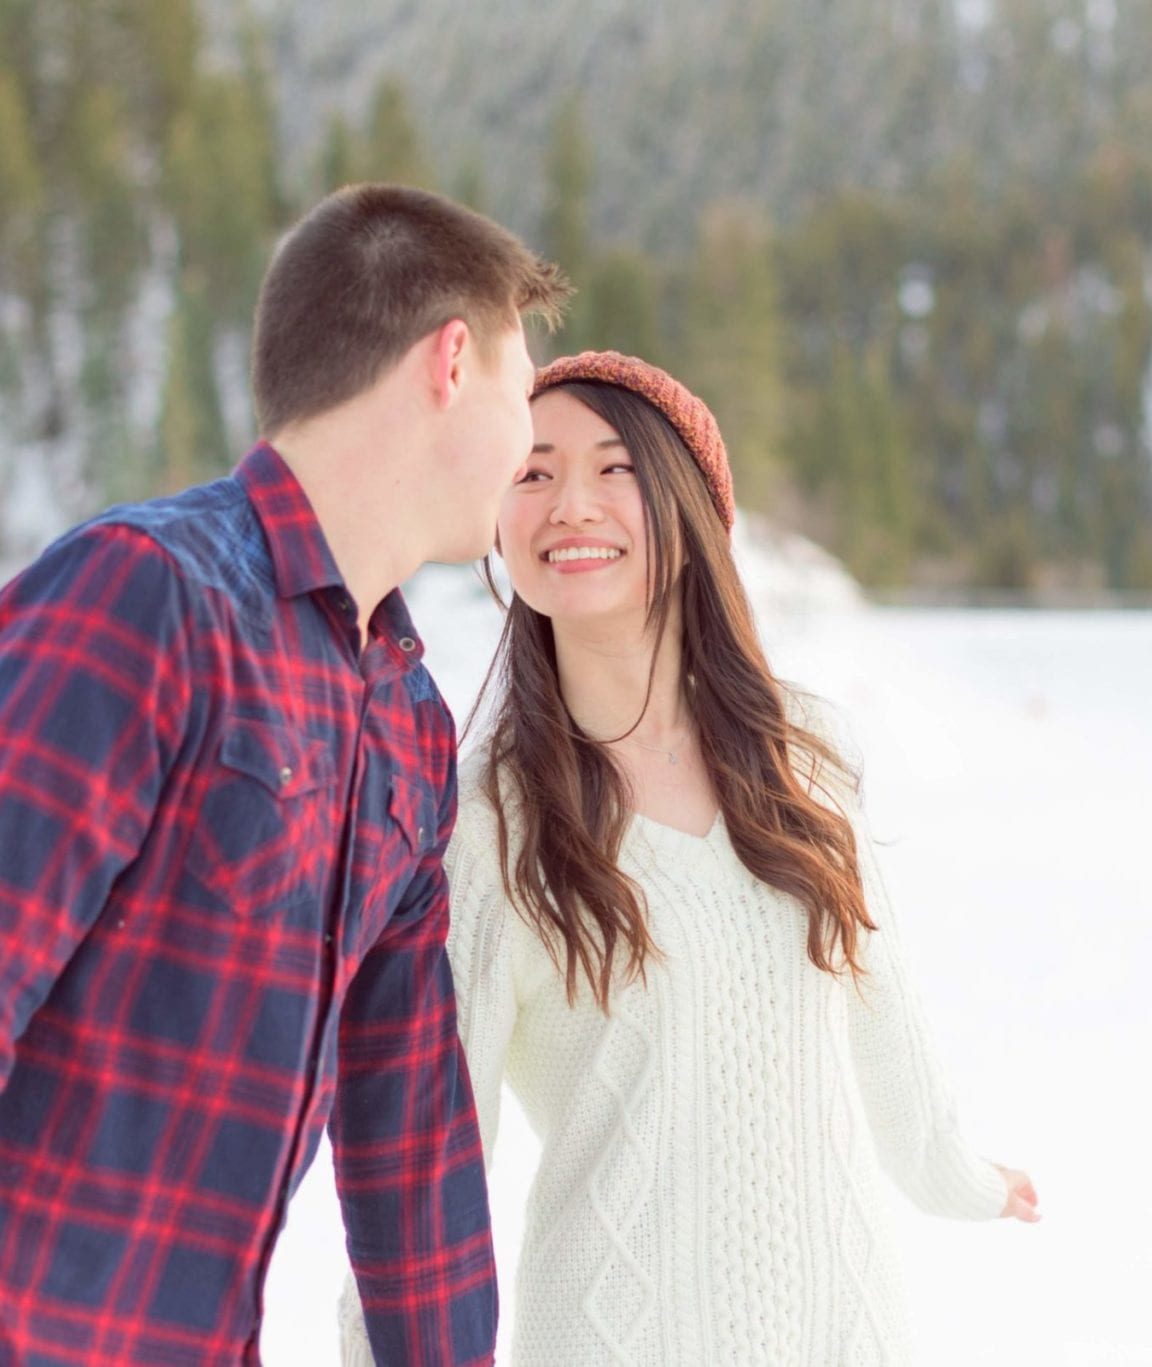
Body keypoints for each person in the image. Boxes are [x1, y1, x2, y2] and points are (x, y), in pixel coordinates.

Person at [0, 184, 568, 1366]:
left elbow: (409, 1137)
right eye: (525, 396)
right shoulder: (141, 593)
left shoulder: (407, 721)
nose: (527, 448)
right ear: (451, 362)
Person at [339, 351, 1037, 1366]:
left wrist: (954, 1171)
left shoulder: (807, 755)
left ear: (691, 506)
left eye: (613, 468)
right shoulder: (487, 822)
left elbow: (879, 1001)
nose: (568, 504)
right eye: (530, 473)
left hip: (841, 1328)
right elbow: (427, 1158)